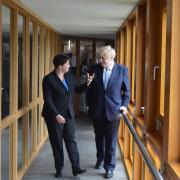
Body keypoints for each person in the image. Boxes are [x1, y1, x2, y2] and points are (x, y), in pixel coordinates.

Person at [41, 53, 94, 178]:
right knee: (57, 143)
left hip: (69, 115)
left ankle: (76, 168)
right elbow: (47, 100)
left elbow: (78, 90)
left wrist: (87, 83)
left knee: (71, 141)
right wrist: (56, 115)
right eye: (67, 64)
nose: (70, 65)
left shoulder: (69, 76)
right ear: (60, 66)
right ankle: (59, 169)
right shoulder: (48, 79)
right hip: (54, 117)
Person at [86, 46, 130, 178]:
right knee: (99, 138)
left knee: (111, 142)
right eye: (99, 58)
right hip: (97, 110)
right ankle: (100, 159)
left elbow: (126, 92)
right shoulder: (94, 68)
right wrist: (89, 102)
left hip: (114, 111)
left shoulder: (122, 70)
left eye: (103, 58)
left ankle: (109, 167)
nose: (100, 60)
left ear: (111, 58)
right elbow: (90, 90)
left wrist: (124, 106)